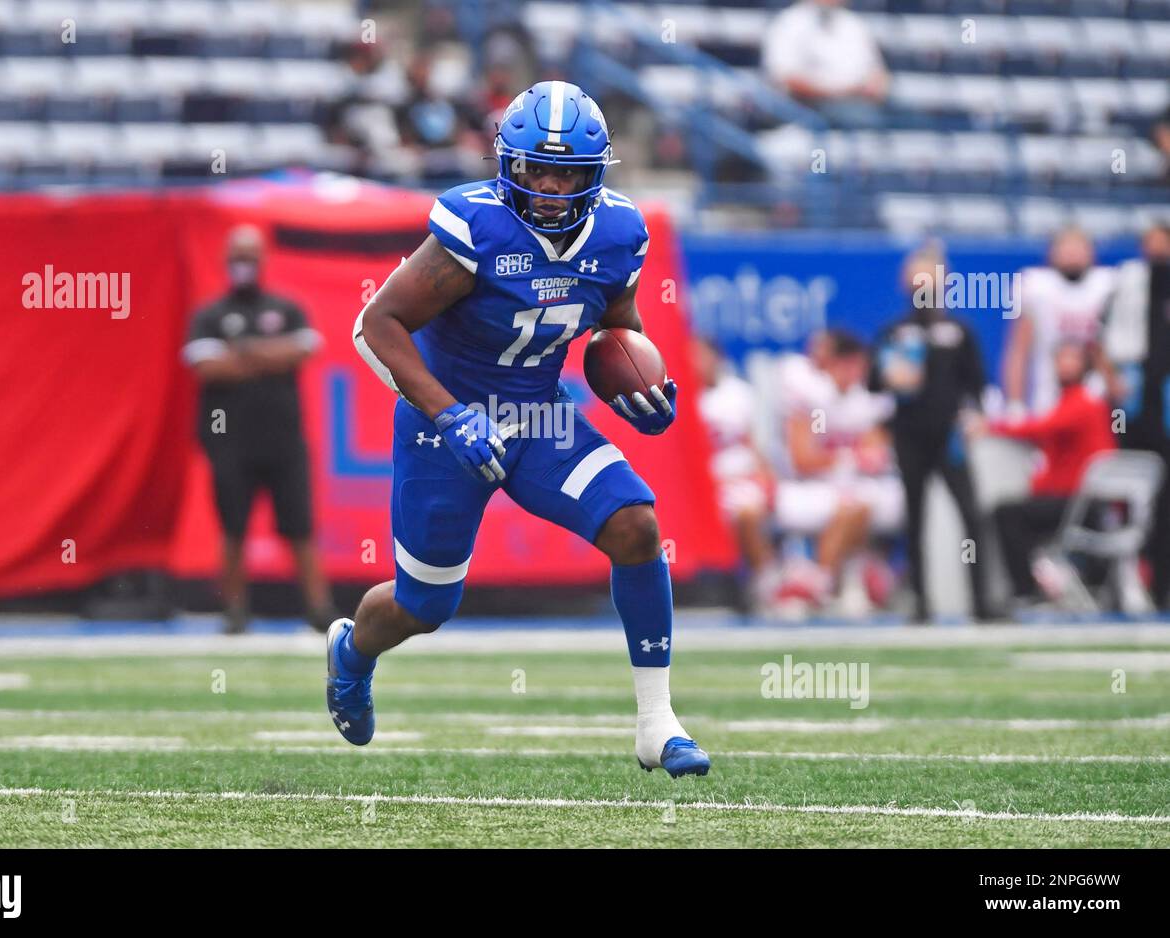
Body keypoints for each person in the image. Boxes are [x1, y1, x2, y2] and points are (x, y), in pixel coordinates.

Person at [339, 81, 709, 777]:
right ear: (508, 163)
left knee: (636, 526)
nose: (547, 184)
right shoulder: (475, 229)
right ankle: (352, 652)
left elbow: (618, 328)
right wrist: (448, 413)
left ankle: (657, 724)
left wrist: (644, 387)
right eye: (536, 166)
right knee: (423, 604)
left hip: (538, 416)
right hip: (442, 424)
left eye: (565, 170)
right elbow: (375, 326)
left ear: (594, 176)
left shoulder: (620, 233)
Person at [182, 225, 336, 635]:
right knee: (232, 528)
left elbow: (303, 350)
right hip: (229, 441)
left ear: (262, 260)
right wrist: (270, 355)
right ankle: (234, 611)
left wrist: (244, 352)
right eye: (237, 257)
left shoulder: (285, 308)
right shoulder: (210, 314)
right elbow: (208, 368)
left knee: (300, 528)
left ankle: (319, 609)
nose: (243, 265)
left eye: (250, 256)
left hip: (284, 440)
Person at [870, 244, 995, 622]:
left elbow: (976, 384)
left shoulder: (958, 332)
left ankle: (982, 601)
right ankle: (921, 602)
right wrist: (891, 377)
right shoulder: (896, 332)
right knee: (915, 519)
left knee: (970, 515)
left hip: (950, 437)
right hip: (910, 436)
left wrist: (975, 418)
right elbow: (875, 384)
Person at [968, 342, 1116, 609]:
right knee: (1016, 510)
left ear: (1085, 366)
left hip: (1079, 503)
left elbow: (1041, 428)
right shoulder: (1075, 401)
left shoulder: (1083, 402)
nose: (1064, 365)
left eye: (1071, 359)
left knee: (1007, 513)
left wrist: (991, 426)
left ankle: (1025, 590)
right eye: (1060, 359)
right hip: (1080, 502)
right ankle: (1049, 580)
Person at [773, 330, 902, 615]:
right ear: (834, 363)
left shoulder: (868, 399)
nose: (854, 371)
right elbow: (802, 459)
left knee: (863, 503)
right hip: (812, 486)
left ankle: (826, 581)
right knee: (850, 505)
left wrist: (859, 458)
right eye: (848, 364)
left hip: (858, 484)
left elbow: (877, 451)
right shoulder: (809, 394)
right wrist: (848, 457)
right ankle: (831, 580)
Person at [1103, 223, 1170, 609]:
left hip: (1164, 404)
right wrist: (1114, 380)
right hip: (1135, 407)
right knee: (1128, 491)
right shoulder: (1128, 281)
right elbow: (1101, 337)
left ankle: (1160, 585)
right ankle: (1127, 582)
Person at [692, 337, 778, 612]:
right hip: (700, 486)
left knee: (747, 510)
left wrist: (766, 477)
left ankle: (767, 585)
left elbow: (757, 444)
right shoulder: (675, 396)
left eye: (701, 355)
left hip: (743, 479)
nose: (696, 363)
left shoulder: (738, 393)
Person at [1003, 228, 1116, 417]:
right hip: (1048, 393)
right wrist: (1015, 402)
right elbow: (1019, 350)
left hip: (1097, 392)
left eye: (1078, 248)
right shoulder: (1036, 287)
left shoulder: (1107, 285)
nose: (1072, 255)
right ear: (1052, 253)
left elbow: (1113, 349)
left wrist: (1114, 387)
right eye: (1066, 249)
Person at [761, 0, 889, 128]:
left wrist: (875, 87)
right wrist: (839, 92)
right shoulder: (788, 22)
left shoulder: (855, 24)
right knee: (856, 117)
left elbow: (877, 73)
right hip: (806, 108)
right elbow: (786, 78)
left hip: (857, 105)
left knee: (894, 118)